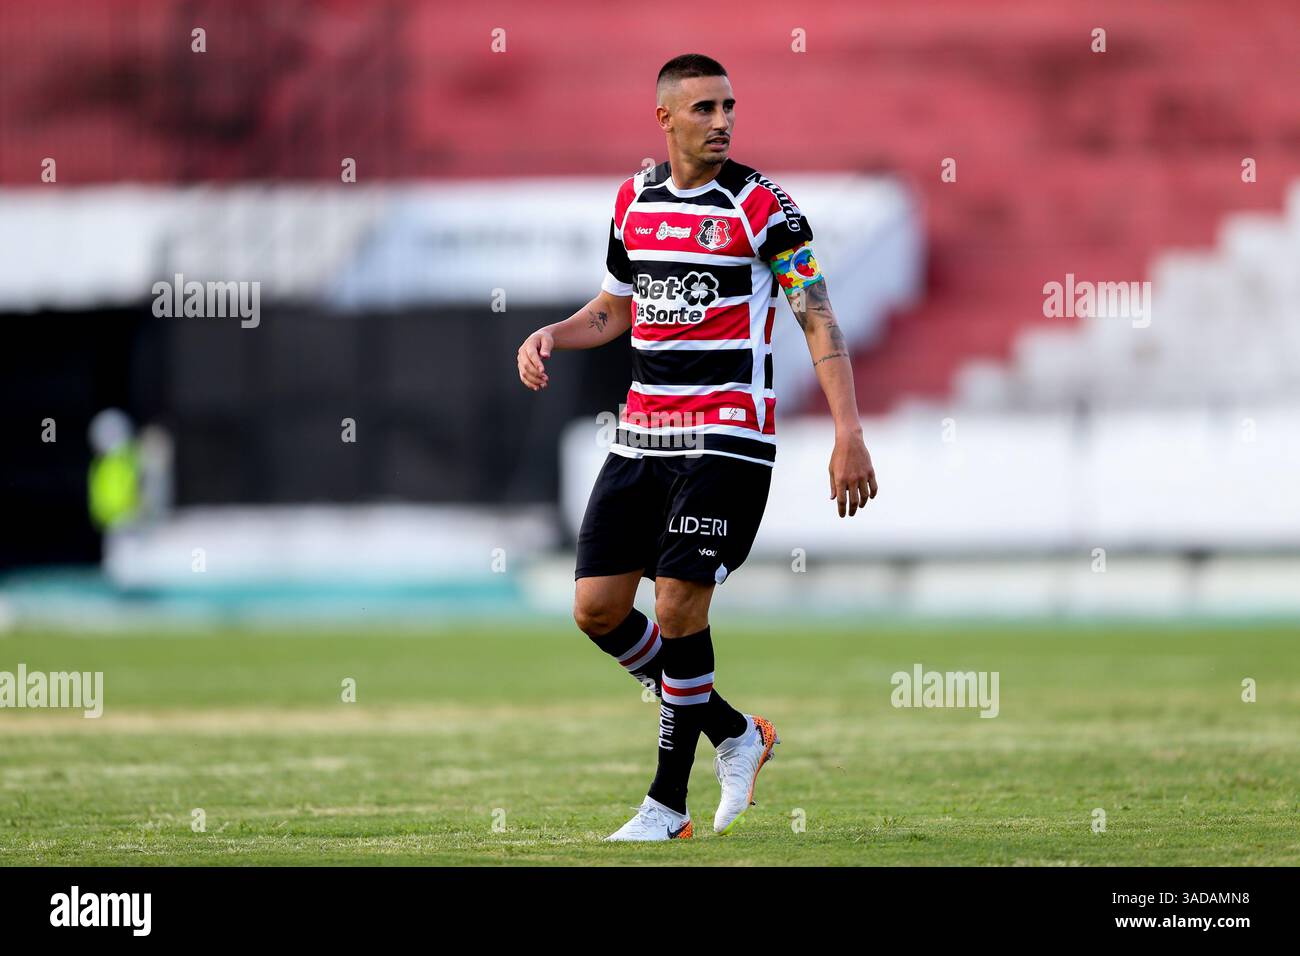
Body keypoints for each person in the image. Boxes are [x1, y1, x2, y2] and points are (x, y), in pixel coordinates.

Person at [516, 53, 878, 841]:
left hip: (727, 440)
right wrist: (552, 333)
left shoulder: (763, 205)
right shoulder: (633, 201)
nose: (722, 122)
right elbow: (616, 309)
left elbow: (816, 314)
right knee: (597, 609)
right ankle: (737, 733)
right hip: (641, 437)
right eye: (706, 109)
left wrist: (849, 430)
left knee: (678, 604)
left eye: (729, 108)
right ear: (666, 118)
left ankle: (666, 807)